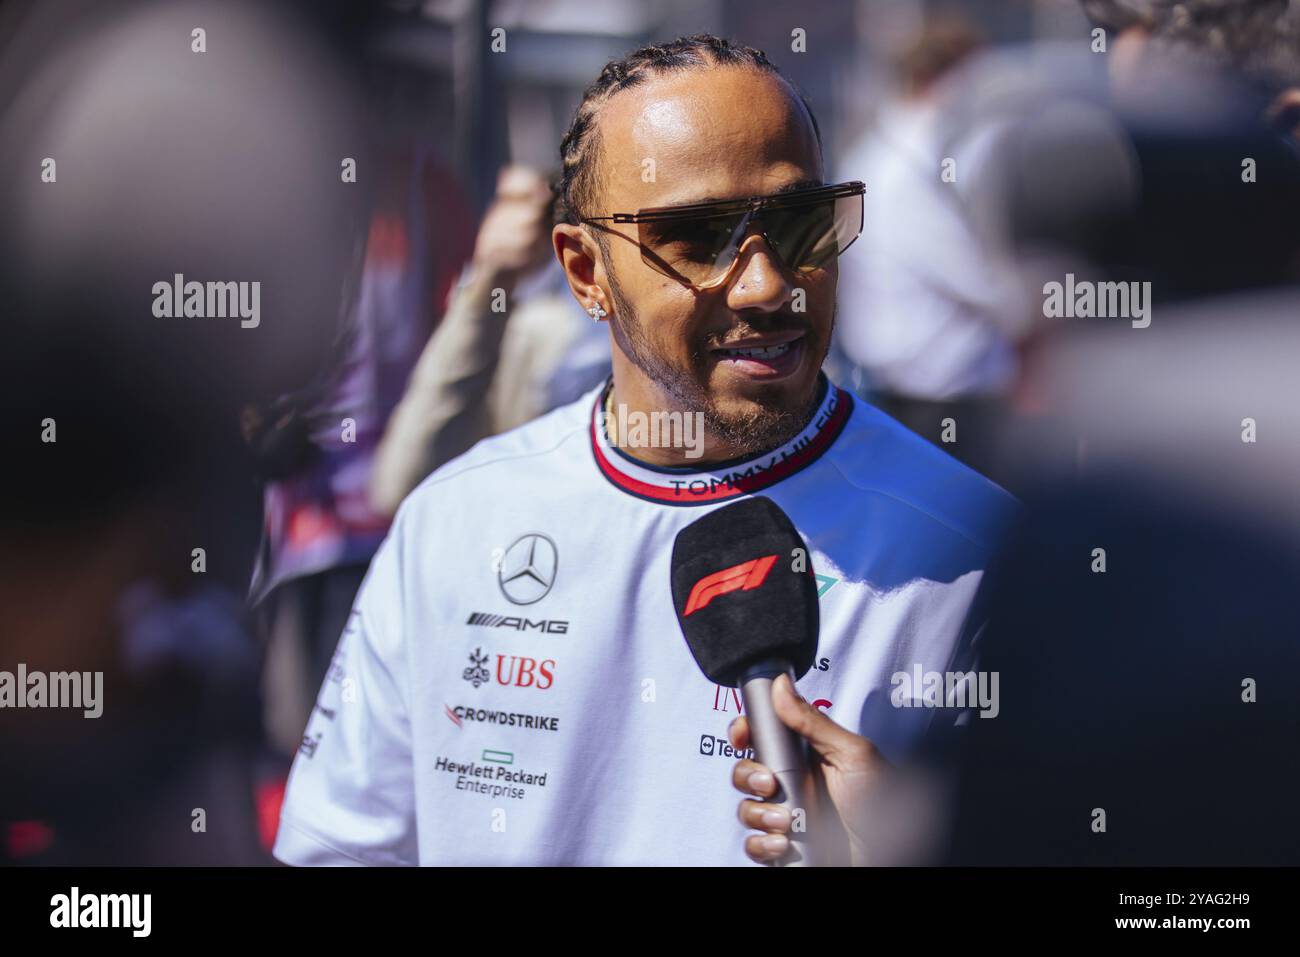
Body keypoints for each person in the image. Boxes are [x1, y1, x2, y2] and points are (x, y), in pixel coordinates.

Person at [273, 33, 1018, 867]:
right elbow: (340, 849)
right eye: (699, 239)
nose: (767, 284)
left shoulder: (988, 554)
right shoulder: (451, 524)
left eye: (801, 222)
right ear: (585, 272)